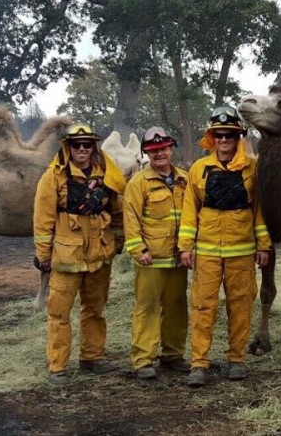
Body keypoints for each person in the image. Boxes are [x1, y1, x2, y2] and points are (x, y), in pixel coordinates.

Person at [178, 105, 272, 387]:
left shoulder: (253, 170)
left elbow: (259, 211)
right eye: (218, 135)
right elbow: (189, 211)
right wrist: (185, 246)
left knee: (241, 306)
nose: (223, 140)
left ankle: (237, 359)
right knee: (203, 306)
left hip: (242, 252)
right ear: (211, 138)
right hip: (206, 252)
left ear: (238, 137)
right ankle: (199, 363)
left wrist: (263, 246)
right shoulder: (198, 169)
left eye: (229, 135)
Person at [33, 122, 126, 386]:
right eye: (77, 145)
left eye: (87, 145)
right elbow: (43, 219)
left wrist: (118, 240)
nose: (82, 149)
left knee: (95, 309)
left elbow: (117, 210)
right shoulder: (53, 177)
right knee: (59, 314)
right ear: (68, 147)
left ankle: (92, 357)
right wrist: (43, 255)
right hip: (65, 258)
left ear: (94, 147)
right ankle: (58, 366)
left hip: (99, 254)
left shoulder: (108, 176)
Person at [123, 127, 191, 380]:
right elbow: (131, 217)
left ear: (171, 149)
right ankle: (143, 360)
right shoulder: (138, 182)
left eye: (163, 149)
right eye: (153, 151)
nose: (159, 154)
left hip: (178, 258)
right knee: (147, 307)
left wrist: (189, 247)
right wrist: (137, 249)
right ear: (146, 154)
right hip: (150, 258)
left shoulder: (185, 179)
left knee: (176, 306)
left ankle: (173, 355)